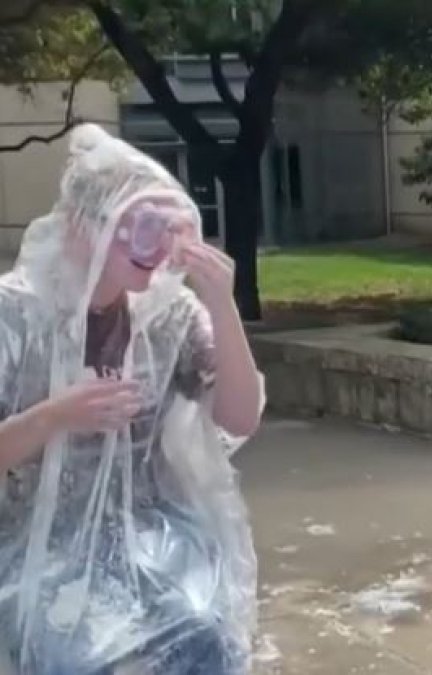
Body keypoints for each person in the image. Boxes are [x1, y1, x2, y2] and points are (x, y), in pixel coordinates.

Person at [0, 124, 263, 673]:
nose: (158, 247)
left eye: (169, 229)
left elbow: (240, 417)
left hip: (150, 537)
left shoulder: (169, 317)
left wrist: (222, 305)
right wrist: (54, 416)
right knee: (80, 658)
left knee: (206, 639)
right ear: (81, 226)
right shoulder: (15, 317)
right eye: (141, 226)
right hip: (37, 545)